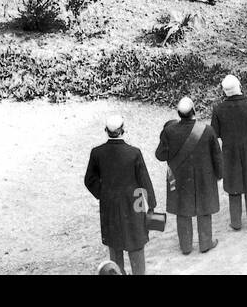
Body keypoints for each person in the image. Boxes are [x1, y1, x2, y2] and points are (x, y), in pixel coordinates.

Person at [85, 115, 157, 276]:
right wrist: (151, 205)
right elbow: (144, 181)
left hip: (109, 205)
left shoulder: (97, 153)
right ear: (123, 129)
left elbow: (89, 180)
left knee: (115, 245)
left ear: (106, 131)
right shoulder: (134, 152)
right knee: (136, 243)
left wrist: (103, 194)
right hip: (134, 203)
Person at [154, 96, 223, 255]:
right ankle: (205, 243)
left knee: (182, 210)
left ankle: (185, 247)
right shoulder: (207, 130)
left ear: (178, 113)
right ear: (194, 111)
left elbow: (160, 155)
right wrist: (219, 174)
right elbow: (217, 156)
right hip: (204, 176)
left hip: (179, 177)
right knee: (204, 208)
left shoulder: (169, 131)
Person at [210, 74, 247, 231]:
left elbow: (215, 134)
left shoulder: (218, 109)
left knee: (233, 184)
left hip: (230, 152)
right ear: (239, 86)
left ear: (224, 91)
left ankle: (235, 222)